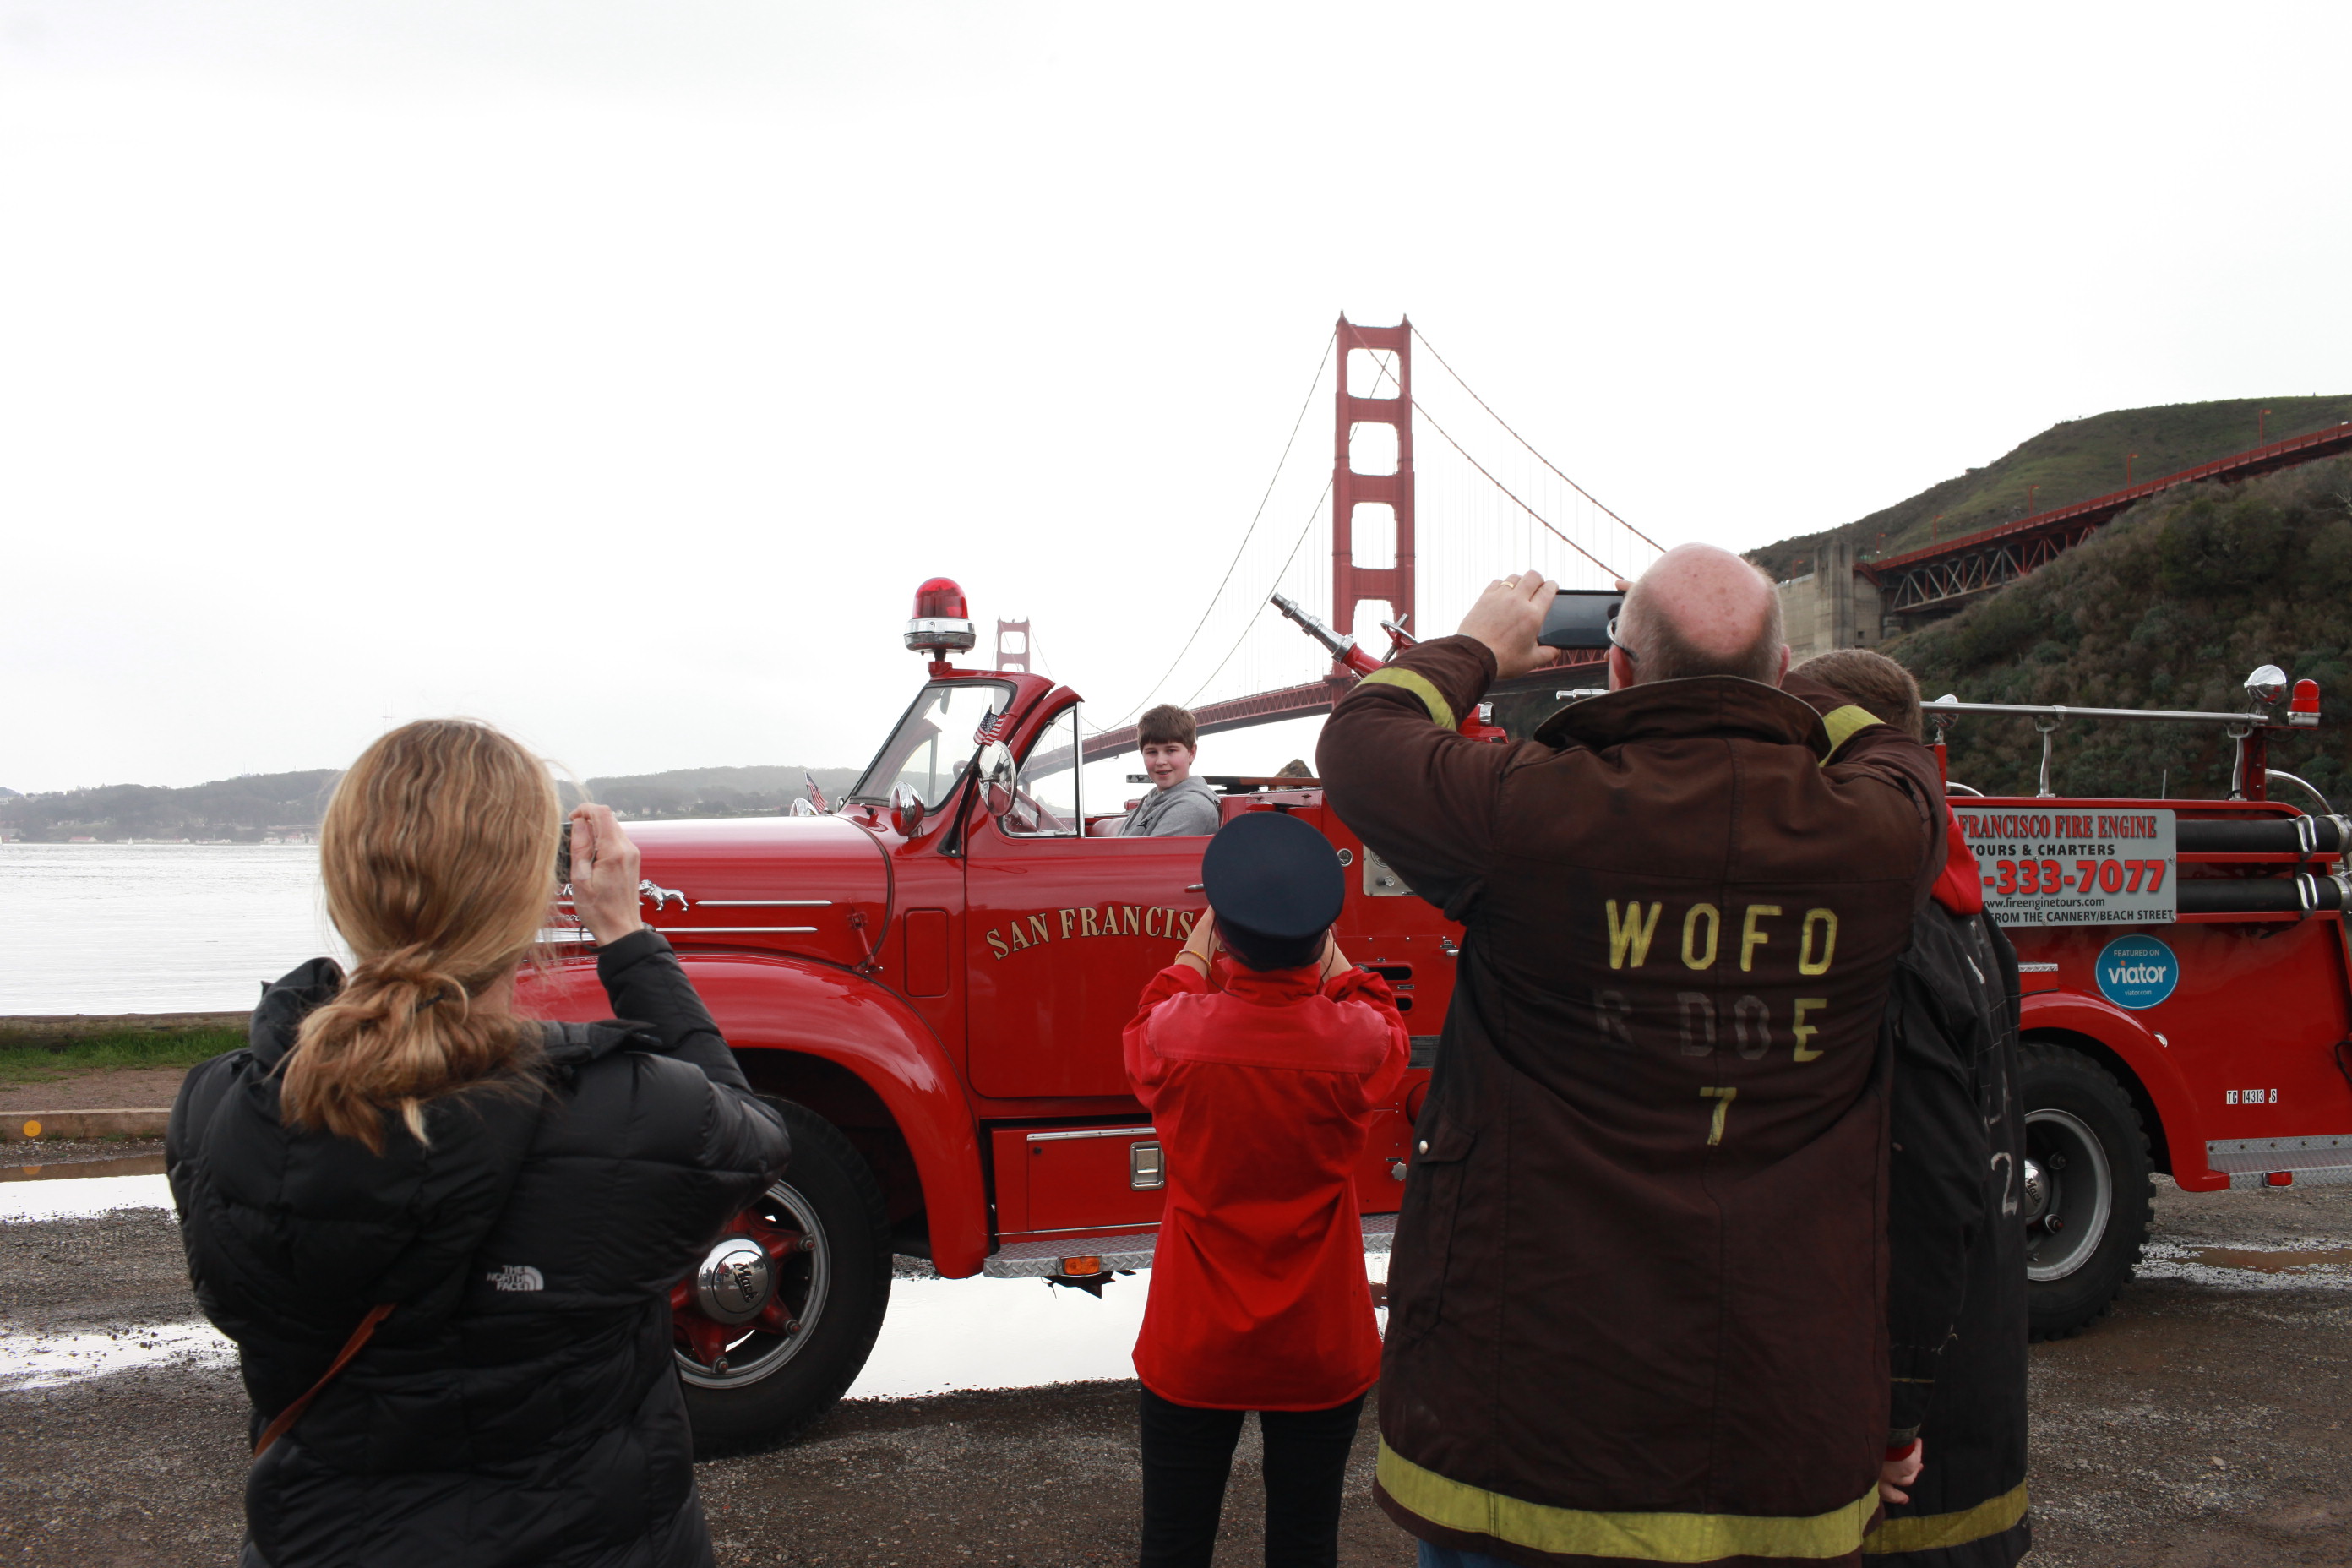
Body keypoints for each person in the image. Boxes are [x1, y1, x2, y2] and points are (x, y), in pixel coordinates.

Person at [1317, 545, 1947, 1568]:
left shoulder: (1526, 812)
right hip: (1777, 1430)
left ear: (1613, 671)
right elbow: (1893, 742)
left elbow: (1362, 739)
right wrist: (1777, 675)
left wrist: (1478, 642)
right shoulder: (1883, 831)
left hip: (1528, 1426)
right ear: (1784, 675)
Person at [166, 719, 791, 1568]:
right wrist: (627, 935)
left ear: (344, 882)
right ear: (534, 895)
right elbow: (752, 1138)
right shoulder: (632, 1113)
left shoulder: (220, 1112)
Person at [1120, 810, 1411, 1568]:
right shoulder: (1358, 1044)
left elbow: (1151, 1011)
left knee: (1174, 1544)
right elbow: (1385, 1018)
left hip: (1196, 1337)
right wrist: (1336, 962)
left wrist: (1194, 952)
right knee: (1306, 1543)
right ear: (1317, 944)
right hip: (1319, 1339)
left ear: (1224, 941)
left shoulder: (1176, 1035)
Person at [1796, 651, 2031, 1568]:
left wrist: (1892, 1411)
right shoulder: (1967, 905)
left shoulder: (1886, 937)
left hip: (1914, 1456)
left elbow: (1926, 1185)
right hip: (1983, 1394)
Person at [1121, 703, 1222, 836]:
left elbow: (1152, 857)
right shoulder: (1147, 805)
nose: (1161, 761)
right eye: (1152, 752)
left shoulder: (1191, 807)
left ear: (1191, 753)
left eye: (1171, 750)